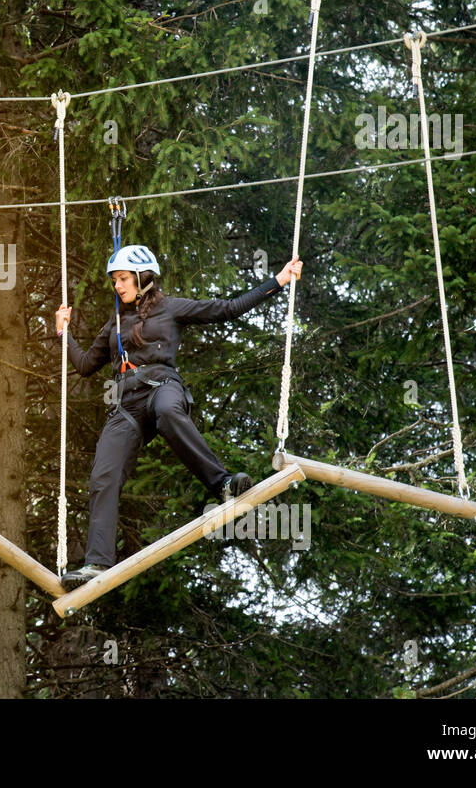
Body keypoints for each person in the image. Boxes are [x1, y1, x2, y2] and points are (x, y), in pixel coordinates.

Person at [54, 244, 304, 589]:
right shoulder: (115, 323)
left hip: (162, 386)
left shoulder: (170, 308)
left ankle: (224, 484)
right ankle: (98, 563)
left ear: (143, 278)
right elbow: (84, 367)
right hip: (125, 404)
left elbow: (227, 309)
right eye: (115, 280)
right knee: (103, 476)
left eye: (123, 279)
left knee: (169, 413)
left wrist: (278, 281)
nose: (118, 286)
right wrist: (63, 332)